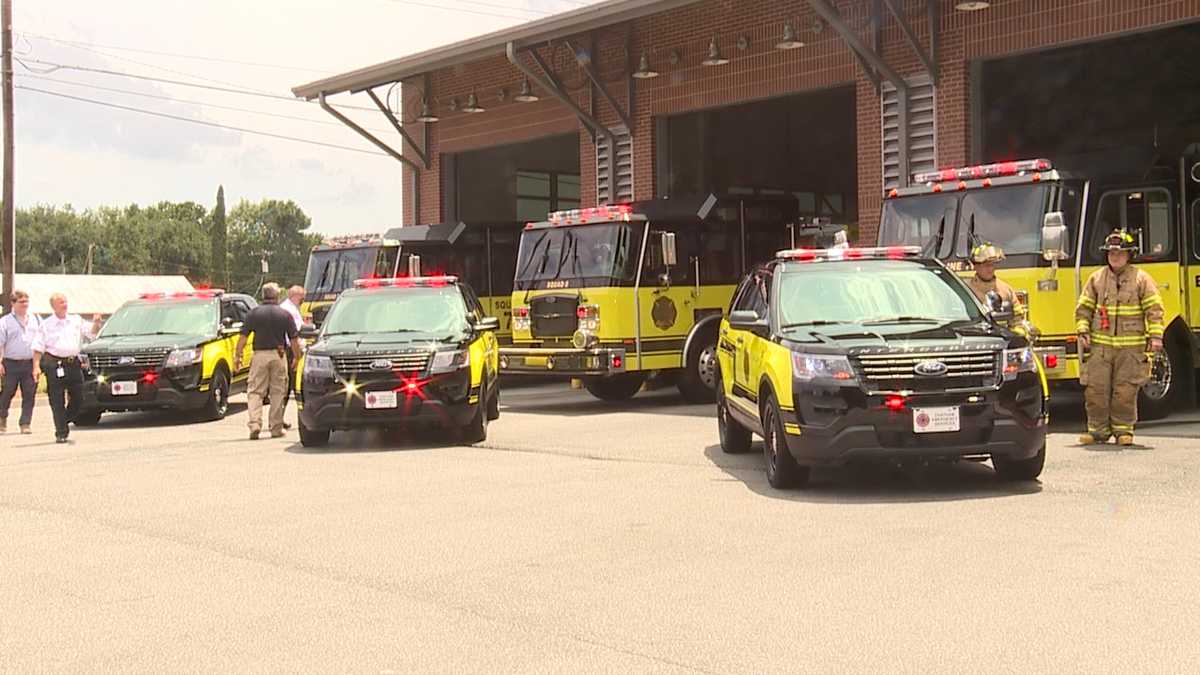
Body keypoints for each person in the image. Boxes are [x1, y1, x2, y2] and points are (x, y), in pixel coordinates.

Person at [1074, 229, 1165, 446]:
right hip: (1100, 347)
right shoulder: (1096, 279)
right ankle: (1097, 431)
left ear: (1129, 255)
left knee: (1125, 390)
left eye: (1119, 253)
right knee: (1096, 389)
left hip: (1130, 349)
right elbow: (1084, 308)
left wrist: (1156, 336)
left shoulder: (1141, 279)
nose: (1114, 256)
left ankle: (1124, 431)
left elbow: (1154, 309)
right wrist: (1083, 330)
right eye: (1111, 253)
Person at [235, 284, 301, 440]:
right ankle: (276, 427)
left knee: (255, 391)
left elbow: (243, 337)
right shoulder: (284, 314)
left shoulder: (253, 314)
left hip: (259, 355)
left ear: (263, 296)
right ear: (277, 296)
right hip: (279, 355)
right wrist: (297, 357)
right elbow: (294, 340)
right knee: (278, 391)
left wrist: (237, 356)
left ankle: (255, 424)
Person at [31, 293, 89, 443]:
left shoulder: (75, 320)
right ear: (53, 306)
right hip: (54, 365)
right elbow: (38, 347)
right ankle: (61, 432)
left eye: (65, 301)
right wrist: (36, 367)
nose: (64, 304)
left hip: (73, 364)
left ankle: (64, 419)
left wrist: (96, 322)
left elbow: (92, 332)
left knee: (79, 398)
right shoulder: (46, 325)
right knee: (57, 400)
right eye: (61, 302)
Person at [0, 290, 41, 434]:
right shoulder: (5, 322)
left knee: (29, 394)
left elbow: (41, 340)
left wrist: (37, 365)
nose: (25, 304)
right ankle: (2, 418)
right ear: (13, 303)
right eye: (21, 302)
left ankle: (25, 423)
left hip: (30, 363)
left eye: (26, 302)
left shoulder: (35, 319)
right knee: (7, 392)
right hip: (11, 363)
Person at [966, 242, 1028, 337]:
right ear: (976, 266)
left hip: (1002, 338)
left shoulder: (1006, 289)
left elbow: (1017, 319)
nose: (990, 269)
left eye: (992, 265)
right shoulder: (967, 291)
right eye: (986, 265)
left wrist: (1017, 334)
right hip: (976, 337)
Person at [277, 285, 306, 418]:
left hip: (288, 350)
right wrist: (297, 355)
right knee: (295, 385)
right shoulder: (290, 311)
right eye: (302, 298)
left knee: (287, 386)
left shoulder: (286, 308)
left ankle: (278, 418)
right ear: (295, 296)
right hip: (291, 351)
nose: (303, 301)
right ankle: (301, 418)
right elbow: (295, 335)